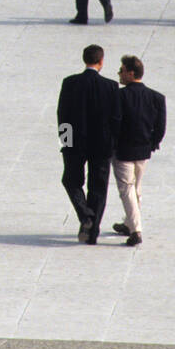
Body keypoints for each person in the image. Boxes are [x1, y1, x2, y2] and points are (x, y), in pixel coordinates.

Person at [57, 44, 121, 245]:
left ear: (84, 59)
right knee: (98, 187)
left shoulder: (70, 83)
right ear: (101, 61)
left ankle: (85, 215)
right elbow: (116, 118)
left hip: (75, 143)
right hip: (101, 145)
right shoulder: (110, 86)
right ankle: (92, 232)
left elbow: (63, 115)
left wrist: (65, 142)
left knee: (71, 180)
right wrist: (113, 143)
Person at [111, 55, 165, 247]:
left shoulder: (119, 96)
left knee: (127, 189)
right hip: (143, 151)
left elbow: (115, 123)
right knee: (136, 188)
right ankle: (128, 222)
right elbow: (160, 127)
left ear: (131, 73)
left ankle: (136, 230)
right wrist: (152, 143)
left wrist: (113, 144)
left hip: (123, 150)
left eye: (122, 70)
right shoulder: (156, 97)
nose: (119, 73)